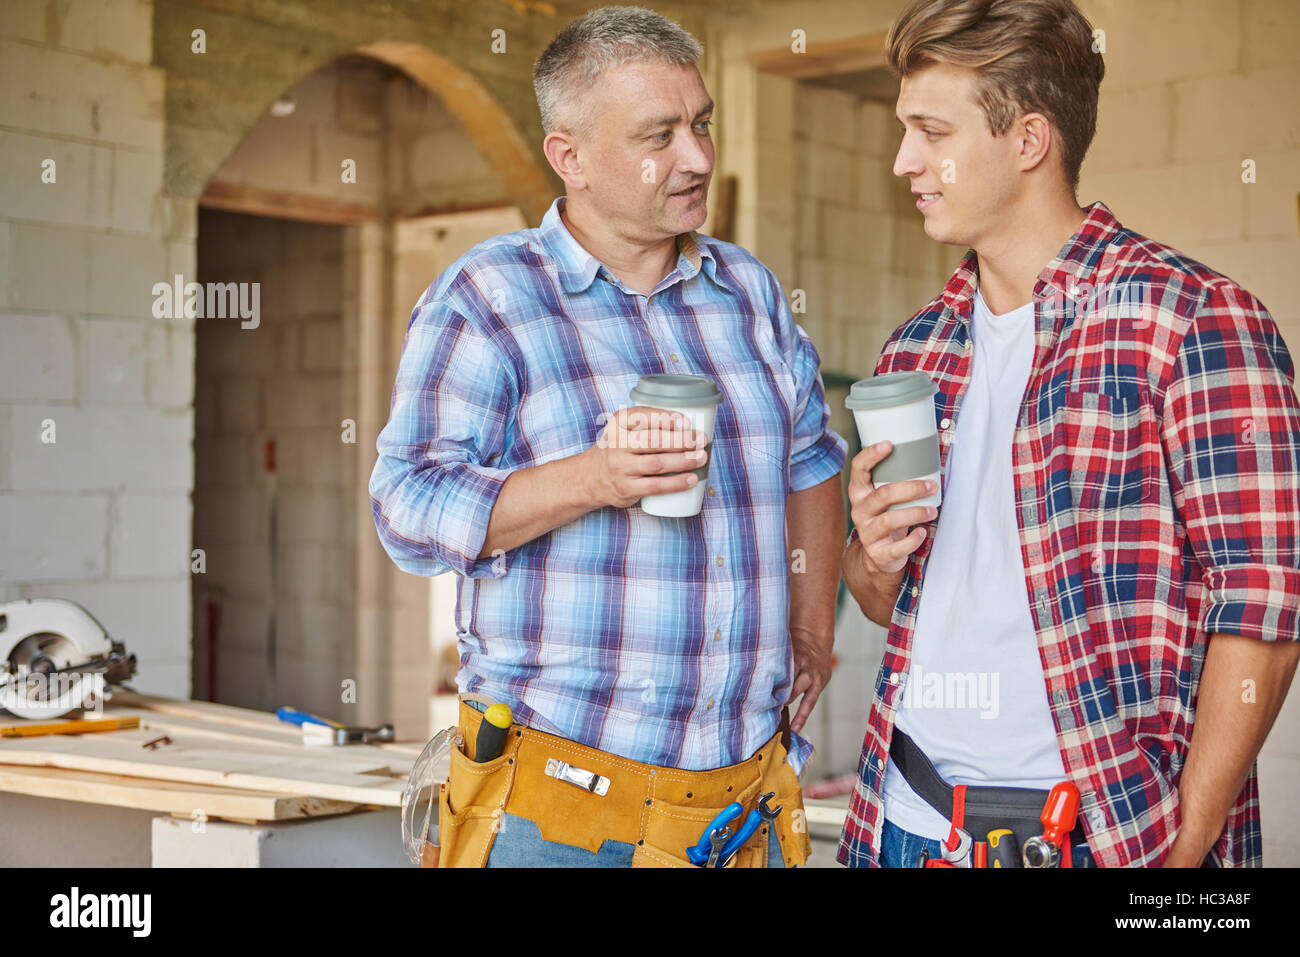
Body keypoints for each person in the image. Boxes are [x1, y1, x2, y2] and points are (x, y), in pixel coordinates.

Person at [369, 5, 846, 868]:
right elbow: (406, 507)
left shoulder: (750, 292)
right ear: (571, 157)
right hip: (559, 811)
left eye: (701, 123)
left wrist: (813, 631)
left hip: (746, 799)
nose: (698, 157)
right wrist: (596, 476)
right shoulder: (489, 296)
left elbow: (813, 457)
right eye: (658, 135)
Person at [838, 0, 1300, 868]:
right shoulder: (918, 346)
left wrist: (1184, 846)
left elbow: (1264, 610)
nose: (904, 161)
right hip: (900, 824)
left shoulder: (1194, 320)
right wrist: (873, 554)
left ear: (1029, 140)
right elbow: (878, 599)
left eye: (930, 131)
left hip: (1098, 841)